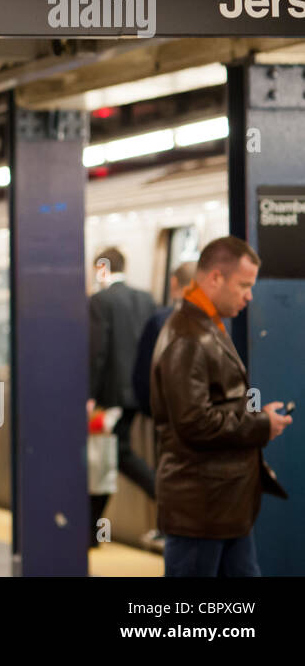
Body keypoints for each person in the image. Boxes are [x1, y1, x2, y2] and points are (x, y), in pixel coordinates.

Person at [152, 236, 290, 577]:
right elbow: (194, 421)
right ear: (215, 278)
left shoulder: (206, 327)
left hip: (223, 503)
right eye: (243, 285)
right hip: (202, 508)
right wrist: (260, 424)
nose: (249, 296)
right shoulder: (188, 338)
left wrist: (258, 418)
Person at [87, 247, 157, 535]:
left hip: (112, 397)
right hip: (142, 393)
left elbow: (98, 351)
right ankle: (90, 531)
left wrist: (89, 394)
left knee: (117, 454)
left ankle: (165, 496)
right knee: (109, 456)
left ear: (102, 268)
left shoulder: (100, 301)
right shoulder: (146, 299)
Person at [132, 261, 198, 420]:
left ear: (174, 282)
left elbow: (143, 376)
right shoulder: (218, 322)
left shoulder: (160, 321)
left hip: (166, 416)